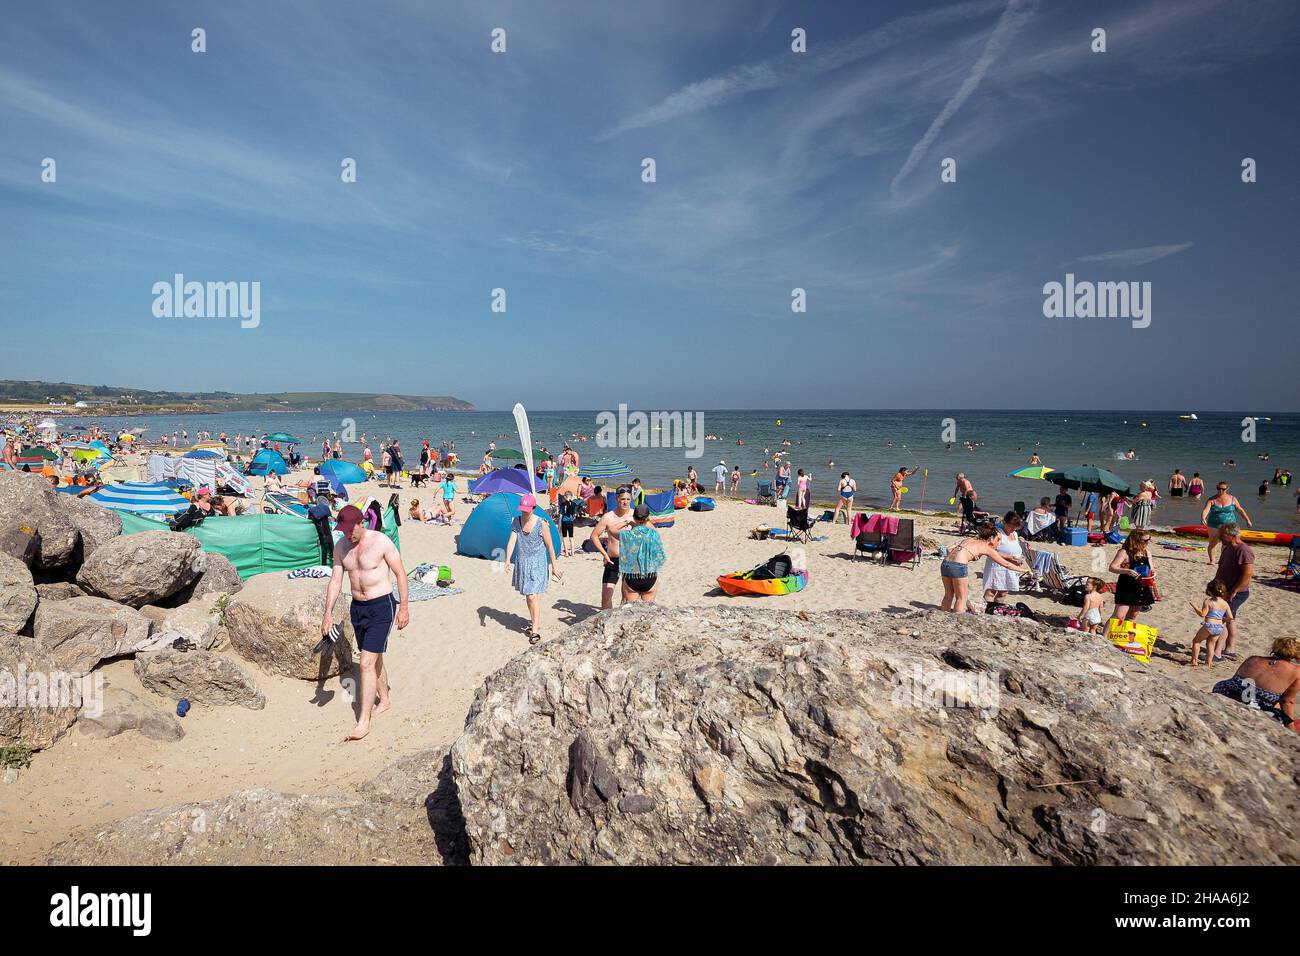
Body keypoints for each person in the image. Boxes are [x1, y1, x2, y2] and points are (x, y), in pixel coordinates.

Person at [320, 504, 409, 741]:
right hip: (358, 608)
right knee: (374, 656)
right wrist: (327, 613)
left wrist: (404, 608)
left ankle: (363, 721)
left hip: (382, 607)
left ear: (361, 522)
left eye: (351, 529)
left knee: (366, 662)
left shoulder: (380, 541)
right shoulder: (341, 547)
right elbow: (336, 581)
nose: (348, 534)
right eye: (344, 530)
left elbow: (400, 573)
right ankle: (385, 699)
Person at [503, 494, 562, 644]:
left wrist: (554, 566)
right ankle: (534, 621)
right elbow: (512, 541)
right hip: (522, 563)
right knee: (529, 596)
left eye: (527, 510)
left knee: (531, 596)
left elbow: (550, 546)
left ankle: (535, 630)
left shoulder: (541, 523)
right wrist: (508, 559)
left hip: (538, 564)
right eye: (522, 510)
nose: (524, 512)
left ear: (534, 508)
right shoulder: (516, 521)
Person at [1211, 637, 1300, 731]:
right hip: (1252, 704)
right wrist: (1290, 727)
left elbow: (1237, 679)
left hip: (1225, 691)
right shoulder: (1296, 671)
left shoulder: (1253, 659)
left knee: (1271, 701)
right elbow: (1287, 702)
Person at [939, 526, 1023, 614]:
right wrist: (1024, 570)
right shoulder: (986, 547)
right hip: (958, 565)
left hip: (946, 563)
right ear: (991, 538)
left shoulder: (968, 540)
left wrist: (967, 556)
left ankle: (942, 617)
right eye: (998, 539)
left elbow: (949, 549)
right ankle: (956, 619)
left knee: (948, 595)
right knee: (961, 597)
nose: (999, 543)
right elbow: (1006, 564)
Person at [1213, 523, 1254, 661]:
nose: (1219, 536)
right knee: (1230, 619)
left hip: (1235, 592)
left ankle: (1217, 653)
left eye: (1222, 534)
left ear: (1232, 535)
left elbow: (1247, 574)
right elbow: (1222, 567)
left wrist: (1233, 591)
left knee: (1222, 619)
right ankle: (1230, 649)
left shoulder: (1243, 550)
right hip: (1223, 590)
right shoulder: (1227, 547)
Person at [590, 485, 635, 609]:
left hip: (631, 560)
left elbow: (650, 534)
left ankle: (621, 620)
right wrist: (604, 554)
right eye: (622, 499)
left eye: (628, 499)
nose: (625, 502)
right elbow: (594, 536)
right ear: (617, 499)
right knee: (606, 595)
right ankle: (606, 621)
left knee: (627, 596)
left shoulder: (635, 516)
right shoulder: (609, 516)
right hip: (612, 560)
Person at [619, 504, 666, 603]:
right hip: (649, 575)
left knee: (629, 612)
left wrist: (627, 522)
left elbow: (612, 529)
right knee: (649, 611)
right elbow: (661, 557)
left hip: (631, 575)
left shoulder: (626, 534)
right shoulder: (654, 534)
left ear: (634, 517)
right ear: (648, 518)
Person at [1108, 530, 1154, 627]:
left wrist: (1153, 573)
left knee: (1133, 616)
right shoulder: (1124, 552)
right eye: (1144, 540)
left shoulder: (1147, 553)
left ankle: (1124, 638)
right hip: (1127, 586)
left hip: (1141, 586)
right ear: (1136, 540)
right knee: (1118, 616)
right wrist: (1127, 571)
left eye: (1148, 540)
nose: (1147, 543)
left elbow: (1151, 568)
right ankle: (1104, 637)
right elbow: (1112, 567)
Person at [1201, 482, 1252, 565]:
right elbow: (1206, 510)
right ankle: (1212, 560)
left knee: (1227, 544)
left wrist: (1247, 520)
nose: (1220, 490)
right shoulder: (1212, 499)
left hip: (1229, 526)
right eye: (1219, 488)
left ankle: (1222, 560)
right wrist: (1203, 517)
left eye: (1223, 489)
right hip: (1214, 524)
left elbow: (1240, 510)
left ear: (1227, 489)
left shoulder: (1232, 499)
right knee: (1213, 543)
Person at [982, 512, 1024, 606]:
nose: (1013, 529)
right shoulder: (998, 533)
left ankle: (996, 609)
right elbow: (988, 551)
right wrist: (1008, 557)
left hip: (1010, 567)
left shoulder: (1015, 534)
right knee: (991, 591)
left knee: (1003, 592)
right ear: (1004, 522)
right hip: (997, 566)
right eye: (1010, 526)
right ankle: (986, 609)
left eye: (1015, 526)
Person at [1188, 580, 1233, 666]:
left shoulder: (1208, 601)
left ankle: (1194, 661)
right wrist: (1223, 620)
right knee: (1211, 644)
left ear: (1210, 591)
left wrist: (1195, 606)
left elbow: (1202, 614)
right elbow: (1230, 617)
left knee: (1196, 641)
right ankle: (1208, 663)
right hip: (1219, 627)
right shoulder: (1225, 603)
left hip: (1209, 626)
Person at [308, 494, 334, 565]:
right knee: (330, 541)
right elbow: (330, 516)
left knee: (324, 547)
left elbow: (309, 518)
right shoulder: (326, 508)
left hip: (320, 529)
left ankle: (324, 563)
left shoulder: (312, 510)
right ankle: (332, 557)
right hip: (326, 529)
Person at [558, 490, 580, 556]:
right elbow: (575, 514)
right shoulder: (573, 504)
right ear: (571, 496)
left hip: (564, 521)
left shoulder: (563, 504)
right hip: (571, 521)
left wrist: (560, 524)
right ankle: (573, 553)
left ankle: (567, 553)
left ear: (565, 496)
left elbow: (561, 514)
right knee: (571, 537)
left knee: (564, 537)